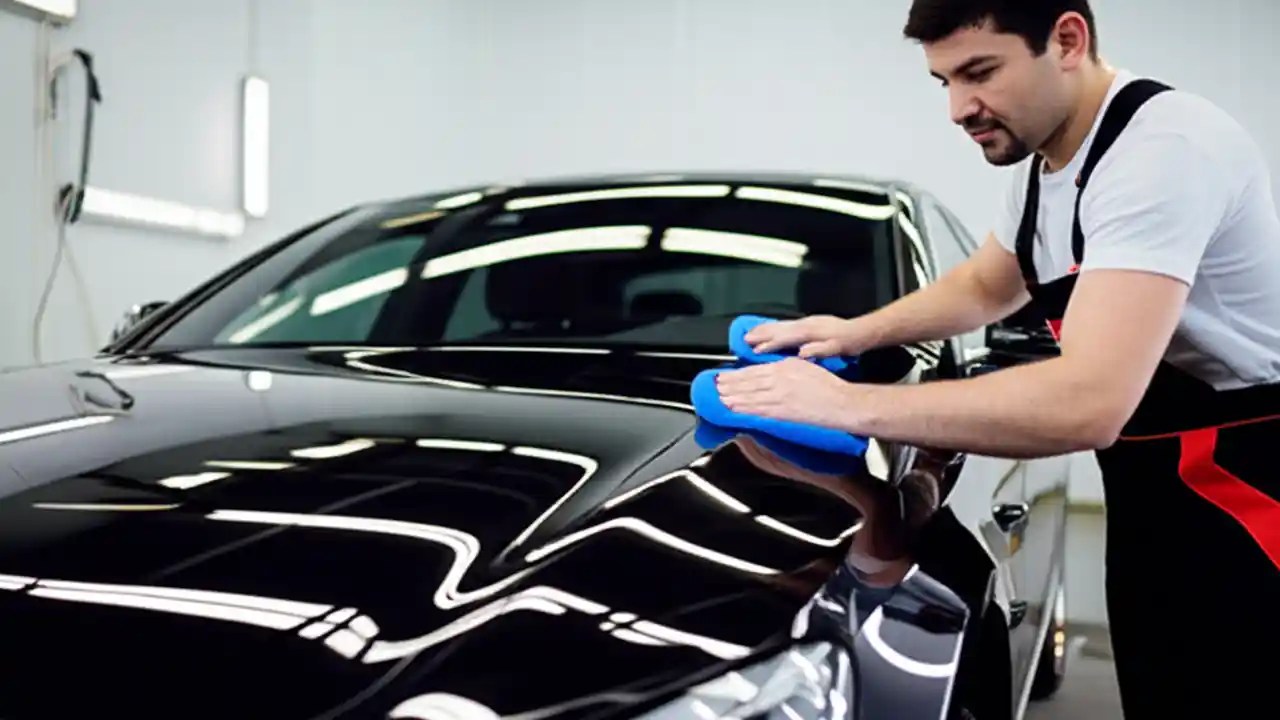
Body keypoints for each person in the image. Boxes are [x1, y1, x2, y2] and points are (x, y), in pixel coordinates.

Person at [714, 0, 1280, 716]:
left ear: (1067, 40)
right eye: (943, 81)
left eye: (979, 72)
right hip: (1153, 483)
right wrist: (855, 333)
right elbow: (988, 283)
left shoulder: (1164, 150)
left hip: (1247, 488)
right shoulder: (1046, 159)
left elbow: (1089, 401)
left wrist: (847, 404)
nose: (957, 107)